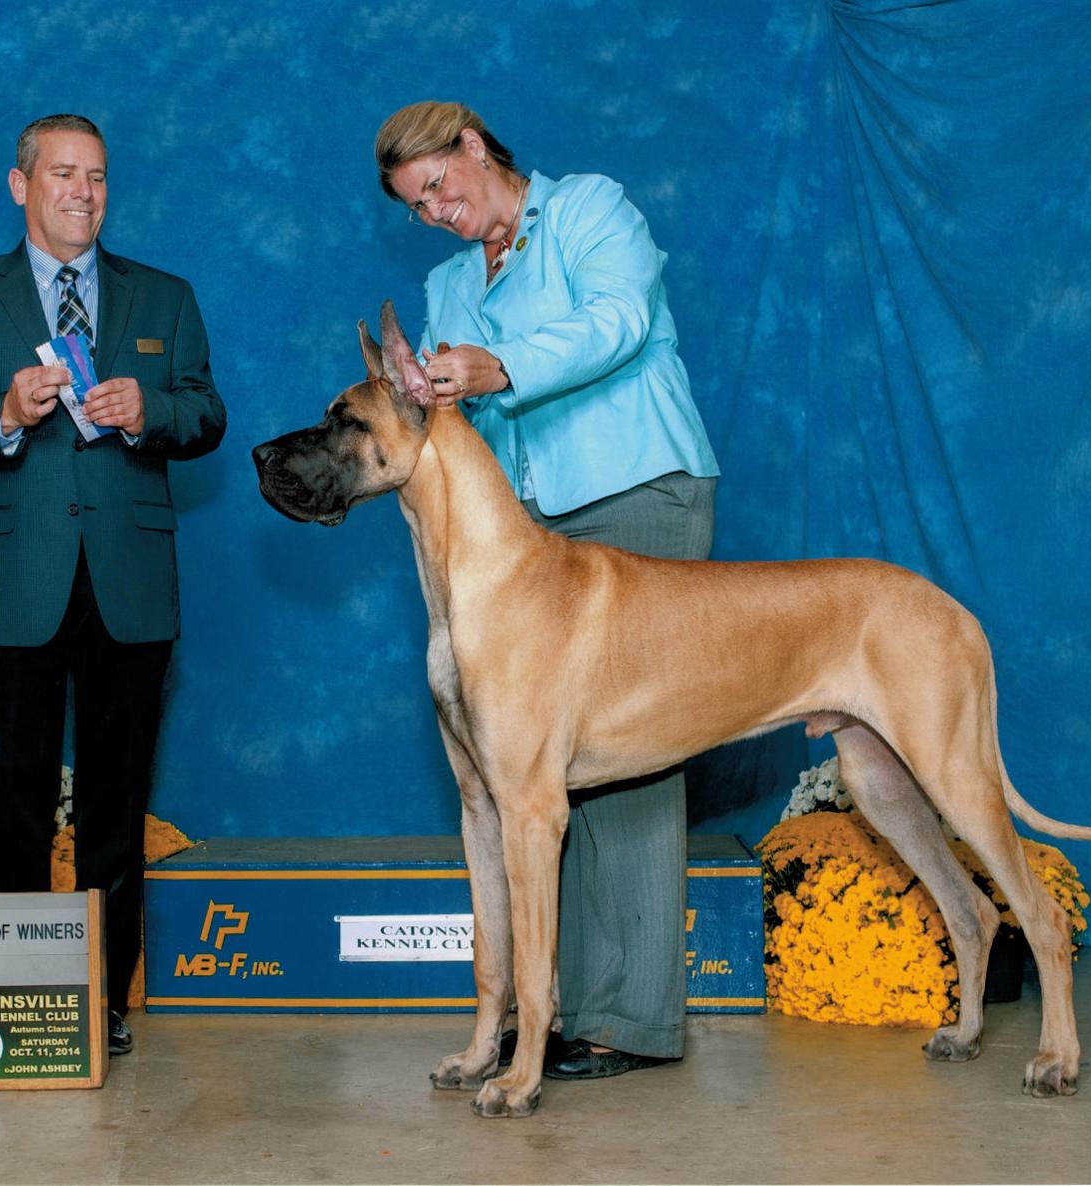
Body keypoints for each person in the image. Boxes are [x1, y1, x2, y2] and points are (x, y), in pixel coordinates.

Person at [375, 101, 720, 1080]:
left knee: (637, 758)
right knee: (534, 775)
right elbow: (451, 429)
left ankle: (633, 1015)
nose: (435, 211)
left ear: (475, 146)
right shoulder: (446, 284)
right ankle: (550, 1009)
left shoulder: (588, 211)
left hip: (637, 487)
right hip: (524, 537)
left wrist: (503, 365)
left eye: (438, 184)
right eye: (416, 205)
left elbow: (622, 321)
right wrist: (421, 392)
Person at [0, 113, 226, 1056]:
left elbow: (205, 412)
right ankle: (9, 1005)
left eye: (98, 177)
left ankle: (106, 1003)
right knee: (13, 803)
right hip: (13, 586)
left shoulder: (164, 297)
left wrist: (149, 409)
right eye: (63, 174)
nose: (82, 191)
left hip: (130, 587)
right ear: (21, 186)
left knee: (117, 811)